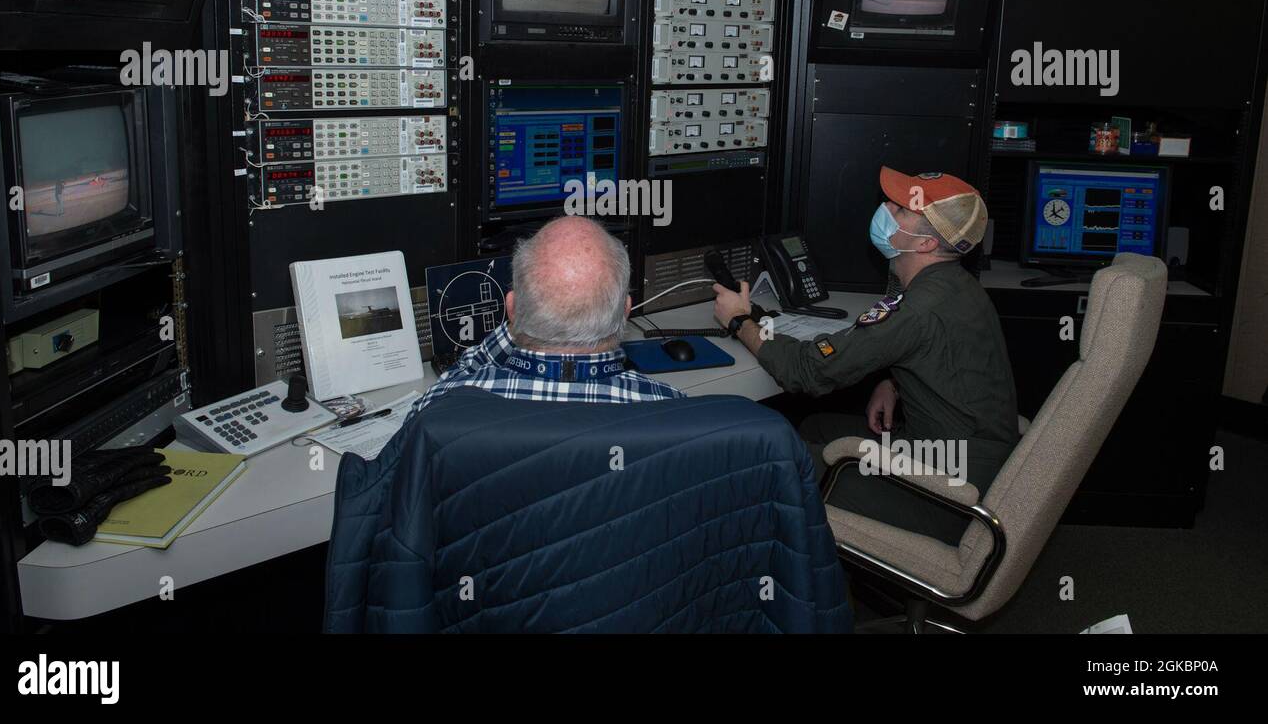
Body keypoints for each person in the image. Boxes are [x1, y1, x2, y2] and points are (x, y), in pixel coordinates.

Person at [712, 167, 1018, 544]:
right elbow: (943, 356)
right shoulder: (955, 285)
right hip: (967, 455)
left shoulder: (919, 309)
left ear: (923, 245)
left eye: (902, 209)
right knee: (816, 427)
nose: (886, 208)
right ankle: (828, 563)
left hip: (949, 492)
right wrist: (893, 379)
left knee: (765, 459)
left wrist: (740, 320)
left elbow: (807, 371)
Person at [415, 216, 685, 410]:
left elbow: (459, 373)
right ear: (625, 311)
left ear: (511, 308)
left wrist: (520, 317)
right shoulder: (673, 411)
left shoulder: (440, 408)